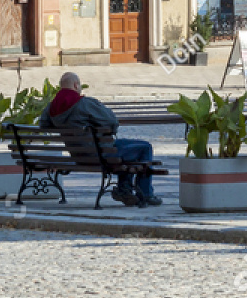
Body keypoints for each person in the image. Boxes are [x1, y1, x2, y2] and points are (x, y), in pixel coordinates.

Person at [39, 72, 160, 206]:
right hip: (100, 153)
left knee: (126, 149)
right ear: (76, 85)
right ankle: (145, 194)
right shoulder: (84, 104)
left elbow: (43, 124)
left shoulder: (52, 107)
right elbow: (112, 121)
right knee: (144, 147)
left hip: (78, 155)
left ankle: (124, 189)